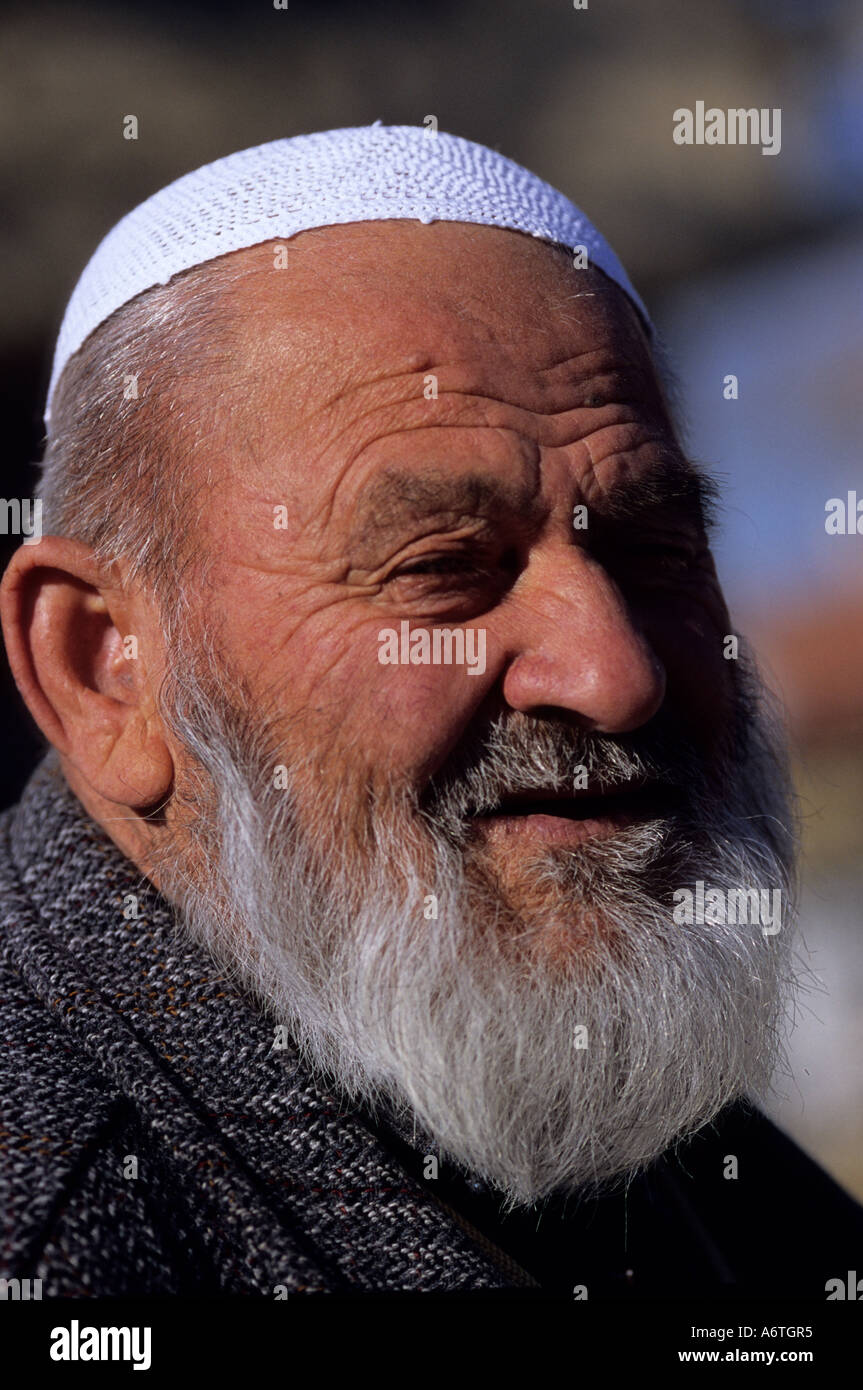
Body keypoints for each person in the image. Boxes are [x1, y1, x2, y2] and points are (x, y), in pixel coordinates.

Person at [1, 125, 859, 1298]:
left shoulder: (701, 1192)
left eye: (655, 546)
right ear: (103, 666)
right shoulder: (56, 1236)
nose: (613, 673)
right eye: (442, 564)